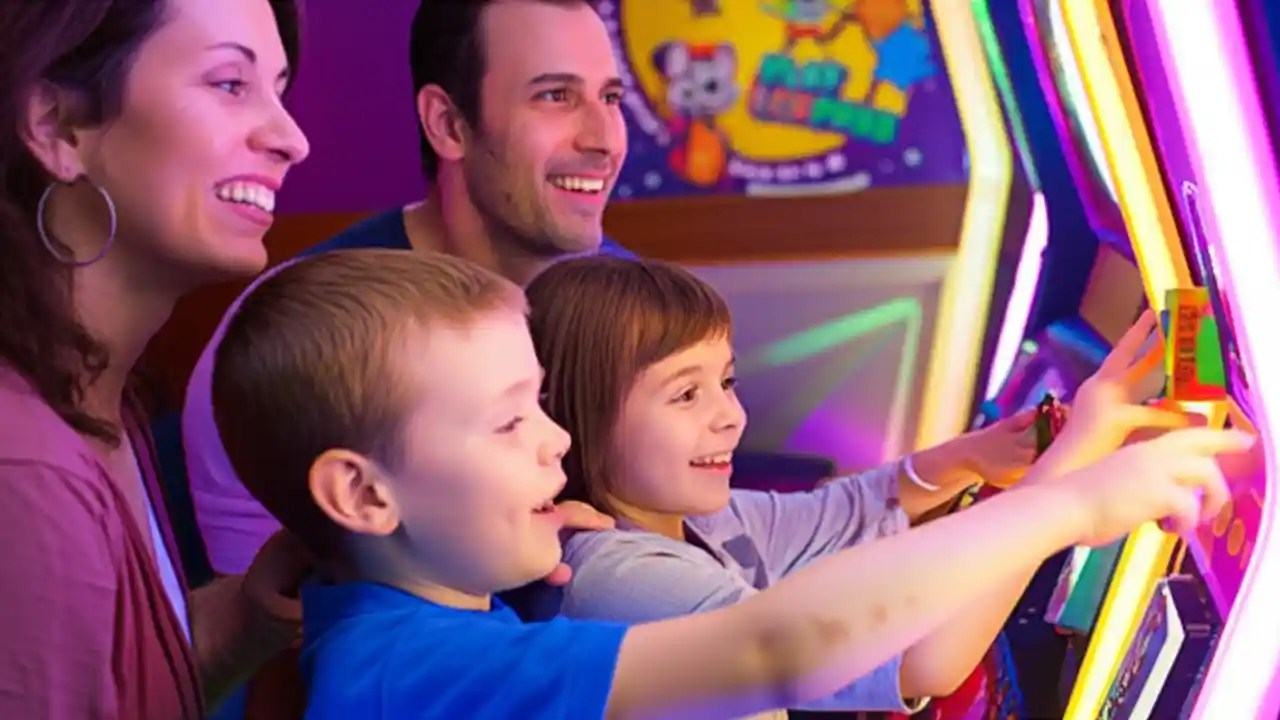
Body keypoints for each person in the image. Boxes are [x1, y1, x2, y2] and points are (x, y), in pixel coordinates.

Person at [209, 248, 1247, 719]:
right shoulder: (416, 668)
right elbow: (774, 647)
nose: (554, 446)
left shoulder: (398, 612)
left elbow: (823, 535)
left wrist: (990, 465)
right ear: (362, 496)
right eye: (509, 420)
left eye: (541, 406)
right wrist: (1067, 501)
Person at [519, 257, 1201, 713]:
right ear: (578, 414)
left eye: (724, 382)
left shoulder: (699, 517)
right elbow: (925, 666)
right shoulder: (617, 579)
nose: (730, 416)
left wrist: (969, 457)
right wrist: (1073, 475)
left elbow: (839, 511)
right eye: (685, 395)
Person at [183, 0, 632, 578]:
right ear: (448, 123)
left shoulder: (633, 307)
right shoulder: (302, 332)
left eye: (612, 98)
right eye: (555, 95)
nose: (604, 139)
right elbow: (272, 637)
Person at [0, 0, 312, 717]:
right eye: (230, 83)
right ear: (55, 126)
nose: (292, 138)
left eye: (280, 88)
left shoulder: (104, 392)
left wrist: (246, 616)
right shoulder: (28, 474)